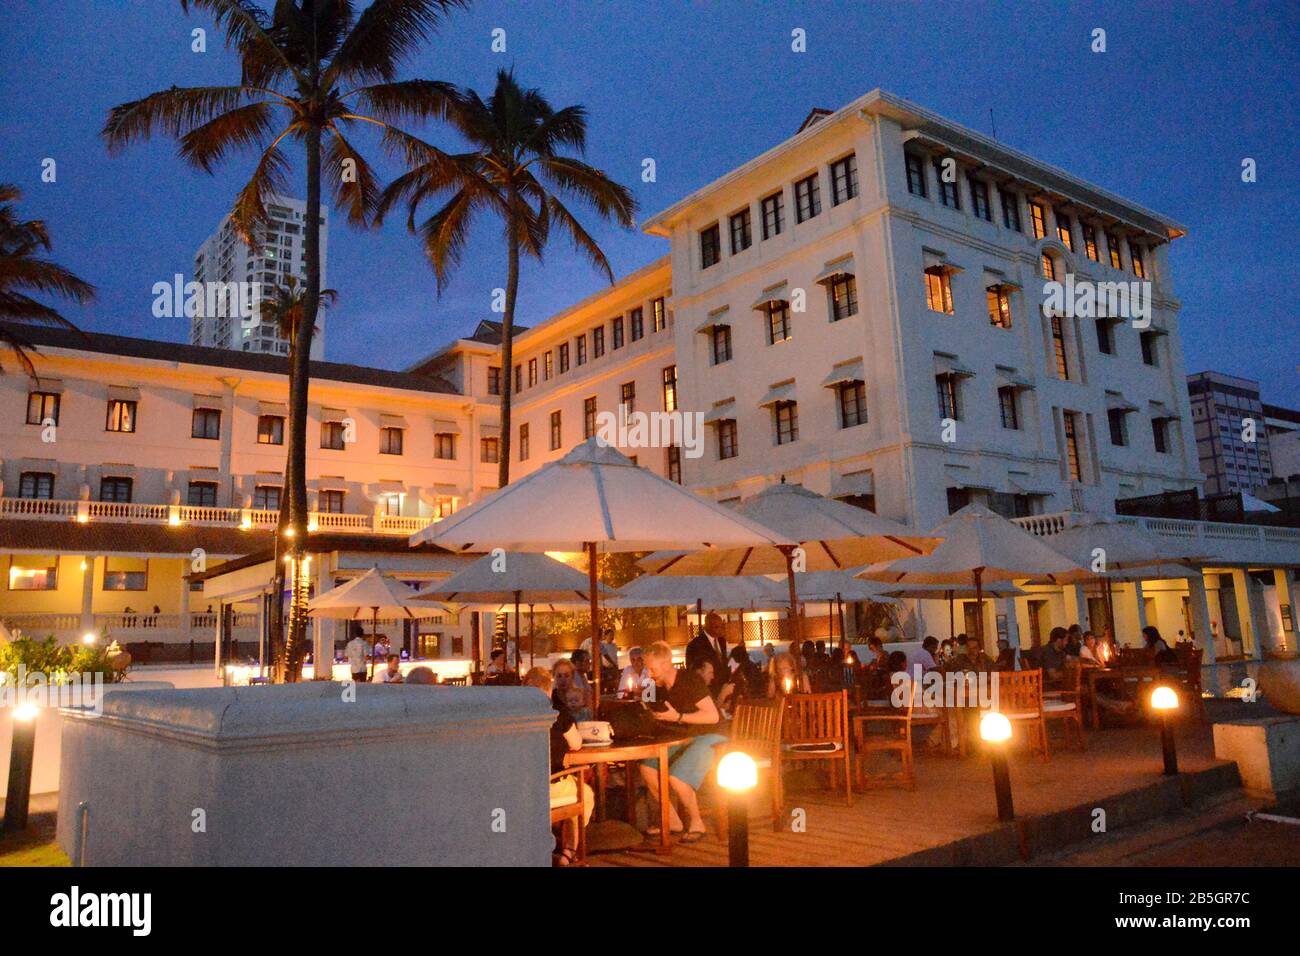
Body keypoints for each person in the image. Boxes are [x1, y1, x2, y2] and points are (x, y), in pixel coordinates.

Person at [639, 641, 727, 843]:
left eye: (652, 668)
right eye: (648, 669)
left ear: (667, 663)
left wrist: (677, 717)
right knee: (647, 768)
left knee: (677, 777)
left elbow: (712, 716)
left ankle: (697, 823)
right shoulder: (658, 687)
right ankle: (672, 820)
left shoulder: (690, 680)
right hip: (685, 737)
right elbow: (659, 711)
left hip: (711, 736)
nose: (650, 674)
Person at [523, 666, 594, 866]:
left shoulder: (513, 716)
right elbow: (576, 744)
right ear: (548, 689)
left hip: (520, 788)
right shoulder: (556, 713)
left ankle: (542, 845)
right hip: (548, 788)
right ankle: (569, 851)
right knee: (585, 794)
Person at [685, 612, 728, 692]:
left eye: (721, 626)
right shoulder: (695, 644)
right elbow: (692, 669)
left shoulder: (722, 641)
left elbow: (723, 662)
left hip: (723, 686)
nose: (720, 630)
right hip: (707, 688)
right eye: (717, 627)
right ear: (708, 626)